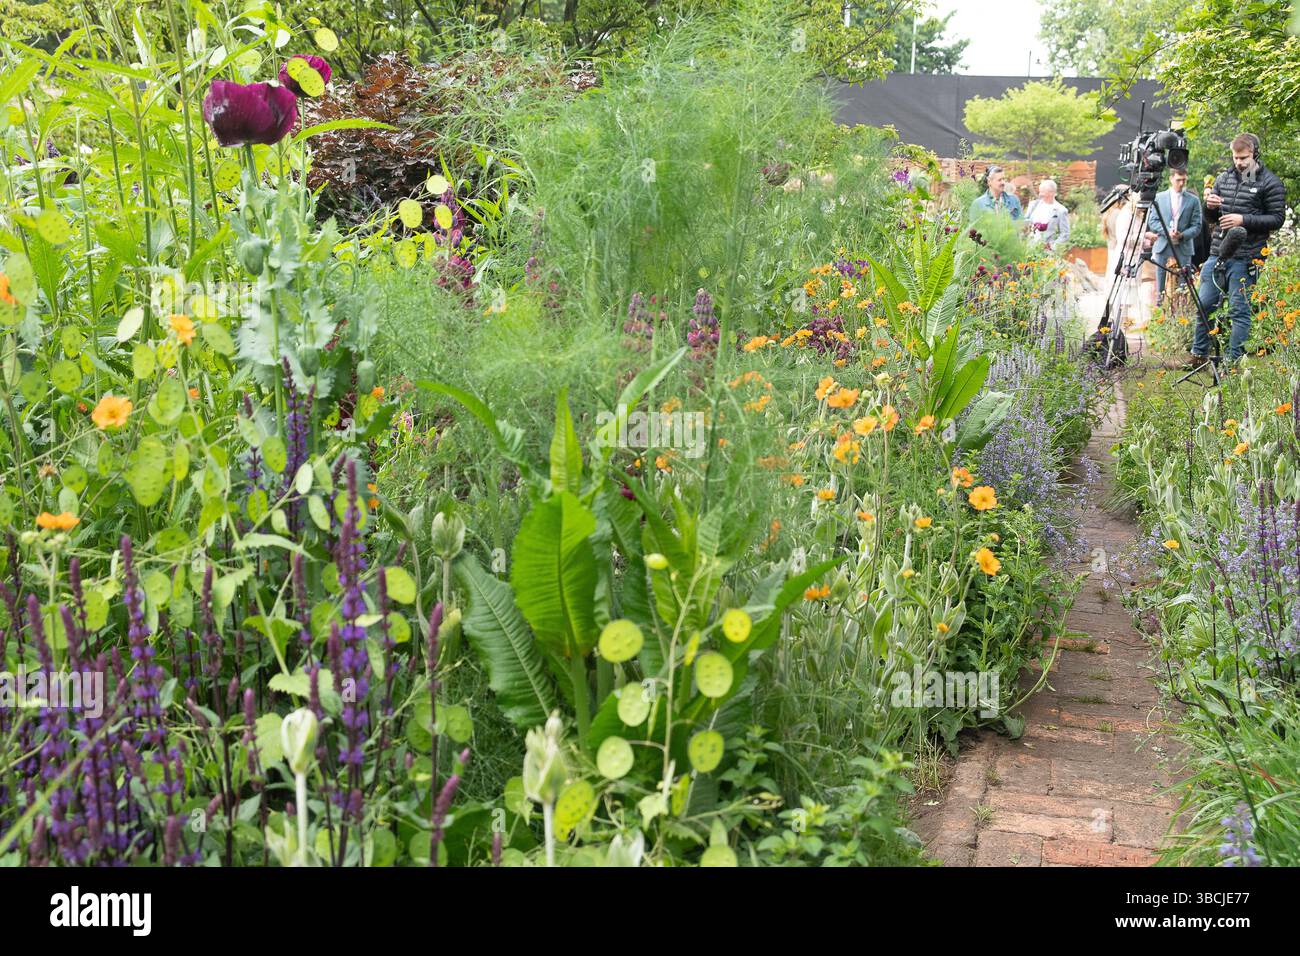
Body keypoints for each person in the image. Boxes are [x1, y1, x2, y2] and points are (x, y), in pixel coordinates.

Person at [1165, 133, 1286, 370]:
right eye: (1235, 158)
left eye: (1244, 158)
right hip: (1218, 253)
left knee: (1239, 310)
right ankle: (1198, 355)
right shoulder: (1223, 178)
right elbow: (1212, 219)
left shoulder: (1270, 182)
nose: (1239, 162)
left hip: (1248, 256)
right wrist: (1209, 206)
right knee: (1204, 304)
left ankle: (1232, 362)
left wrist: (1243, 219)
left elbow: (1277, 219)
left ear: (1255, 154)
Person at [1143, 168, 1202, 302]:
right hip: (1163, 244)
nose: (1181, 183)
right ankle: (1159, 308)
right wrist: (1167, 232)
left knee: (1184, 284)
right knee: (1160, 285)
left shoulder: (1193, 200)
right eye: (1178, 180)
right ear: (1171, 179)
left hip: (1183, 246)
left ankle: (1182, 309)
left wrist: (1182, 235)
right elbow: (1152, 221)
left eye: (1184, 180)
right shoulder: (1159, 198)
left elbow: (1197, 226)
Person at [1023, 179, 1070, 250]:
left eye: (1042, 192)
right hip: (1030, 248)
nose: (1040, 194)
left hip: (1047, 252)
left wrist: (1052, 246)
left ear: (1051, 193)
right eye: (1040, 192)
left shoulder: (1061, 210)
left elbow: (1065, 234)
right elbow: (1025, 222)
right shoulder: (1033, 205)